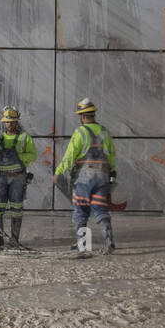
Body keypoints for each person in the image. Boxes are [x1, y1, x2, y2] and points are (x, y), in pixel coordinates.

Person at [54, 98, 117, 254]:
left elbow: (70, 156)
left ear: (82, 116)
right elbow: (112, 155)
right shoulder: (104, 131)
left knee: (81, 210)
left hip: (84, 177)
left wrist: (59, 172)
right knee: (100, 208)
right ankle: (109, 243)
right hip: (102, 176)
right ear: (93, 114)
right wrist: (113, 171)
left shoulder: (80, 132)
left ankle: (83, 244)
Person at [0, 106, 36, 246]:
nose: (10, 124)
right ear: (4, 123)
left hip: (18, 179)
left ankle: (14, 239)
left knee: (16, 209)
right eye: (7, 122)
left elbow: (33, 155)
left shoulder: (24, 138)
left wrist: (19, 156)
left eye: (12, 121)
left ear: (17, 122)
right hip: (1, 178)